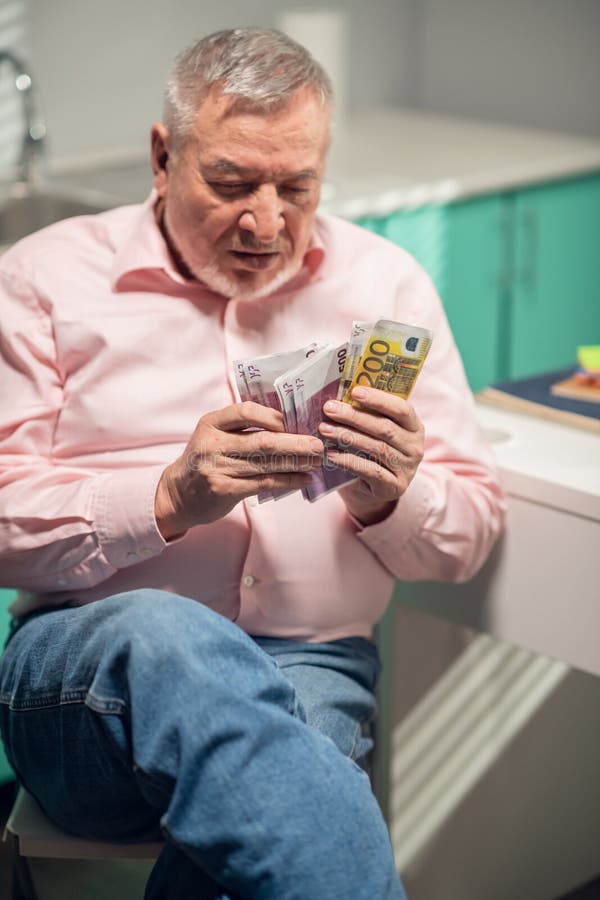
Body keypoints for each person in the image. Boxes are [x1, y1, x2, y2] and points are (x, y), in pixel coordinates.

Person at [0, 27, 505, 900]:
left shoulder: (387, 284)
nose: (266, 222)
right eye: (231, 184)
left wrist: (393, 498)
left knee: (271, 826)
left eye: (296, 187)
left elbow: (469, 537)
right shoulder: (43, 279)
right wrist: (165, 497)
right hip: (83, 685)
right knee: (167, 634)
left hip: (308, 667)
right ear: (163, 158)